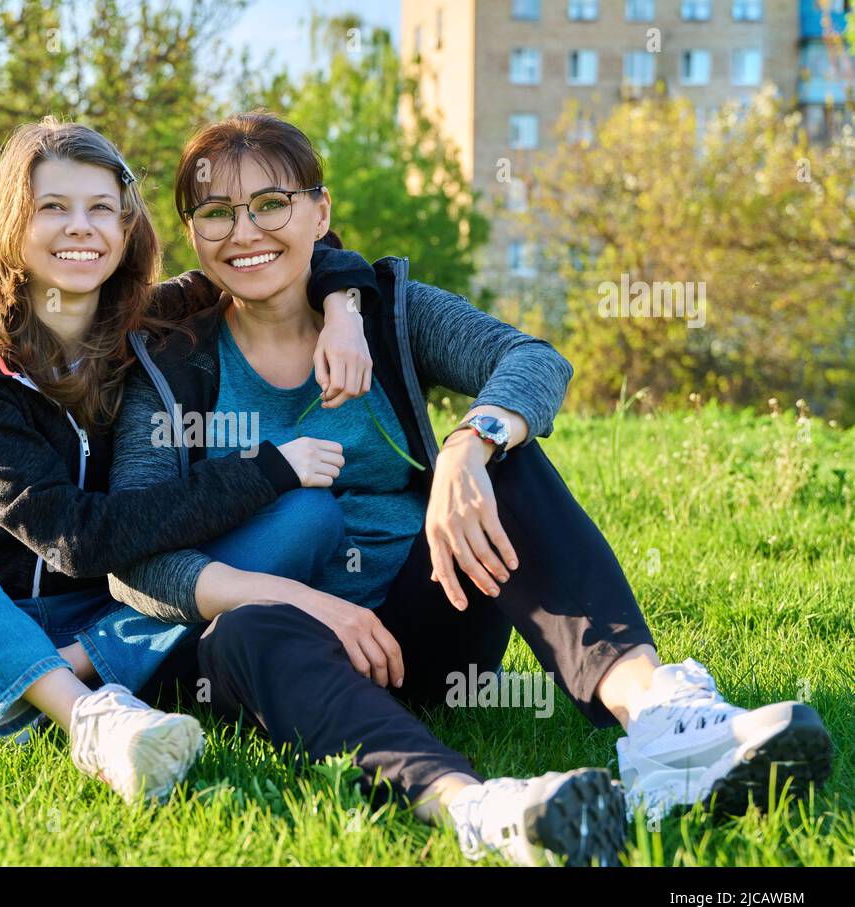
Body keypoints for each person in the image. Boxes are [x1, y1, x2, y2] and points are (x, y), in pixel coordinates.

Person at [108, 112, 835, 866]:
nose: (245, 231)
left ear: (319, 213)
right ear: (192, 232)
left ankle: (661, 722)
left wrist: (468, 443)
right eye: (216, 213)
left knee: (505, 461)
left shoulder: (389, 311)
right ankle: (480, 810)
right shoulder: (170, 364)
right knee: (249, 629)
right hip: (273, 652)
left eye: (271, 204)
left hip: (426, 628)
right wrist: (302, 602)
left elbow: (533, 360)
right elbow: (137, 558)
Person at [0, 117, 378, 804]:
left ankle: (72, 680)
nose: (80, 228)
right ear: (13, 226)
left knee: (304, 515)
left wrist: (345, 309)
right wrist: (265, 468)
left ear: (127, 230)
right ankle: (85, 716)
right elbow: (72, 538)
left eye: (100, 209)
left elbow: (285, 246)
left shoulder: (138, 323)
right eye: (52, 208)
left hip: (105, 622)